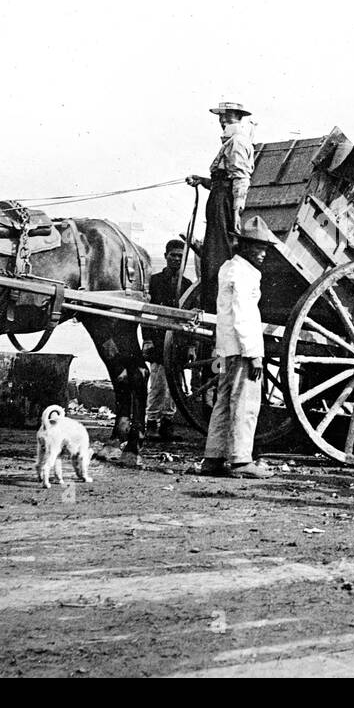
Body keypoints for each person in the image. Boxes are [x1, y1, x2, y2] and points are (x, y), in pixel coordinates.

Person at [200, 215, 279, 479]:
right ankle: (241, 460)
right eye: (259, 248)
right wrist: (254, 353)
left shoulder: (228, 268)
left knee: (223, 401)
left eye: (265, 248)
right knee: (245, 403)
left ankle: (213, 458)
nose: (263, 254)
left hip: (226, 348)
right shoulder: (243, 274)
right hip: (242, 349)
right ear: (244, 246)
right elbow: (243, 314)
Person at [186, 101, 256, 316]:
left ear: (237, 117)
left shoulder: (237, 141)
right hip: (219, 197)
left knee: (218, 253)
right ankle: (212, 301)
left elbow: (241, 178)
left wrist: (236, 210)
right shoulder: (231, 141)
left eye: (227, 116)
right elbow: (223, 179)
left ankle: (216, 304)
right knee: (212, 252)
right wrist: (203, 181)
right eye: (221, 116)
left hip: (223, 202)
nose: (223, 120)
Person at [144, 238, 192, 437]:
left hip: (178, 343)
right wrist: (147, 340)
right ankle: (152, 422)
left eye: (180, 256)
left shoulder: (188, 285)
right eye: (173, 255)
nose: (176, 259)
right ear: (166, 256)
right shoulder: (154, 281)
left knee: (175, 385)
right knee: (157, 383)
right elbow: (146, 314)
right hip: (157, 339)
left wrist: (191, 347)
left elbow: (191, 320)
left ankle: (167, 423)